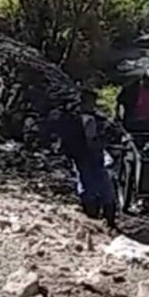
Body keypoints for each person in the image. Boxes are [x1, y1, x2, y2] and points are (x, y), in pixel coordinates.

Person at [50, 92, 118, 227]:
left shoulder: (71, 118)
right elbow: (91, 140)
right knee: (103, 182)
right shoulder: (89, 120)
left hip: (77, 155)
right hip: (90, 155)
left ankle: (91, 215)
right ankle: (106, 215)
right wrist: (100, 147)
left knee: (84, 181)